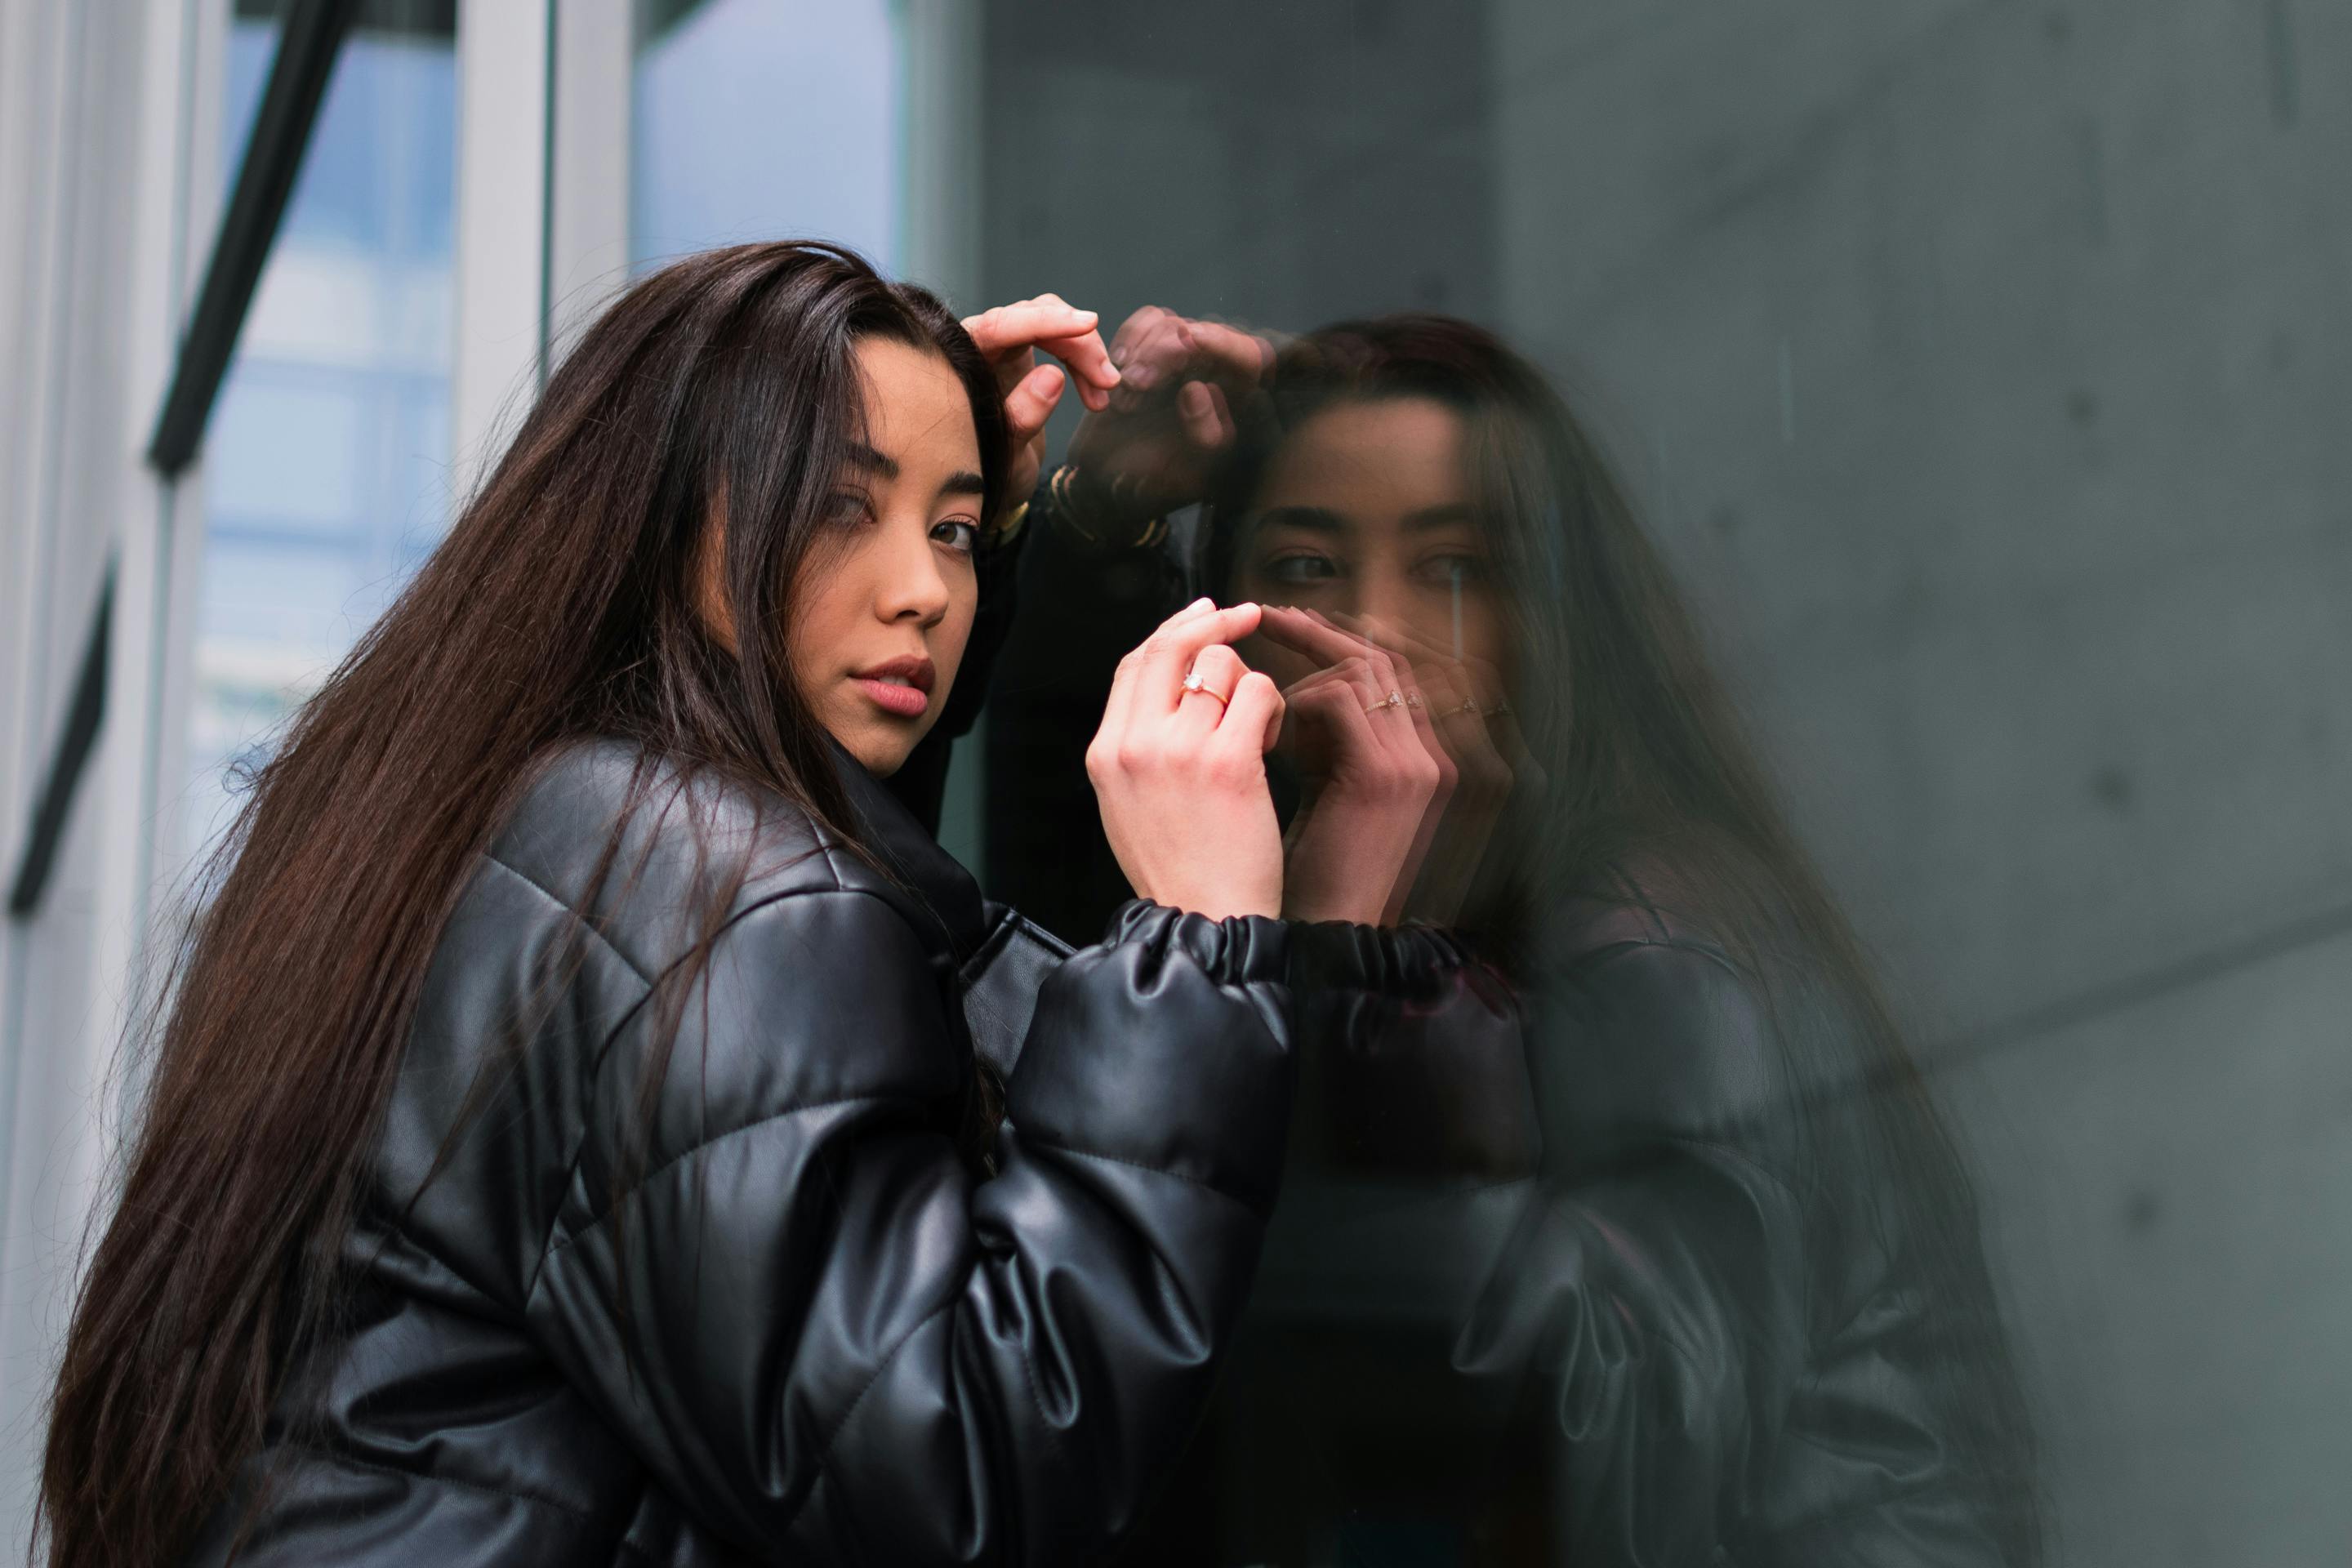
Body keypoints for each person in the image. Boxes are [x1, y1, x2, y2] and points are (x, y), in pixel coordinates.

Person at [35, 243, 1321, 1568]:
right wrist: (1198, 949)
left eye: (951, 529)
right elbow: (957, 1477)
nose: (926, 591)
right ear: (662, 523)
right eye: (836, 506)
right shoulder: (707, 880)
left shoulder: (495, 812)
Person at [1004, 311, 2043, 1564]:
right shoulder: (1466, 910)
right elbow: (1094, 1024)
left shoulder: (1656, 949)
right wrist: (1100, 529)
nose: (1377, 626)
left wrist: (1352, 969)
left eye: (1454, 570)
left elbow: (1570, 1466)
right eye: (1308, 563)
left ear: (1551, 616)